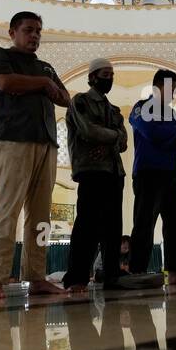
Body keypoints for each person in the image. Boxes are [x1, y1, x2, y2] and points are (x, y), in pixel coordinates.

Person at [0, 11, 70, 300]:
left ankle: (36, 277)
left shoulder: (45, 67)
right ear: (12, 32)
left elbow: (66, 98)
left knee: (41, 218)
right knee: (8, 210)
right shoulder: (0, 56)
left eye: (38, 32)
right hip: (14, 140)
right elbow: (5, 83)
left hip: (47, 143)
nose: (35, 36)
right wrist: (45, 86)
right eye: (29, 30)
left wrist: (49, 85)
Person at [63, 58, 128, 294]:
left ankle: (112, 276)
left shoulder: (114, 110)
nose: (109, 78)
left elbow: (123, 143)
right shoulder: (80, 101)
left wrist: (106, 138)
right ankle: (77, 277)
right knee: (87, 225)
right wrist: (111, 136)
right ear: (92, 77)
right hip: (91, 171)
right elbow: (88, 131)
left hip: (114, 172)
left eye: (111, 74)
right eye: (104, 74)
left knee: (113, 227)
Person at [128, 70, 176, 286]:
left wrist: (175, 133)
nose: (173, 94)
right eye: (171, 89)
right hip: (148, 174)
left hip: (172, 175)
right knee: (144, 224)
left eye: (175, 90)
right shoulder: (141, 108)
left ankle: (174, 271)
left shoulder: (173, 114)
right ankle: (137, 272)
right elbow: (151, 132)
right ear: (157, 87)